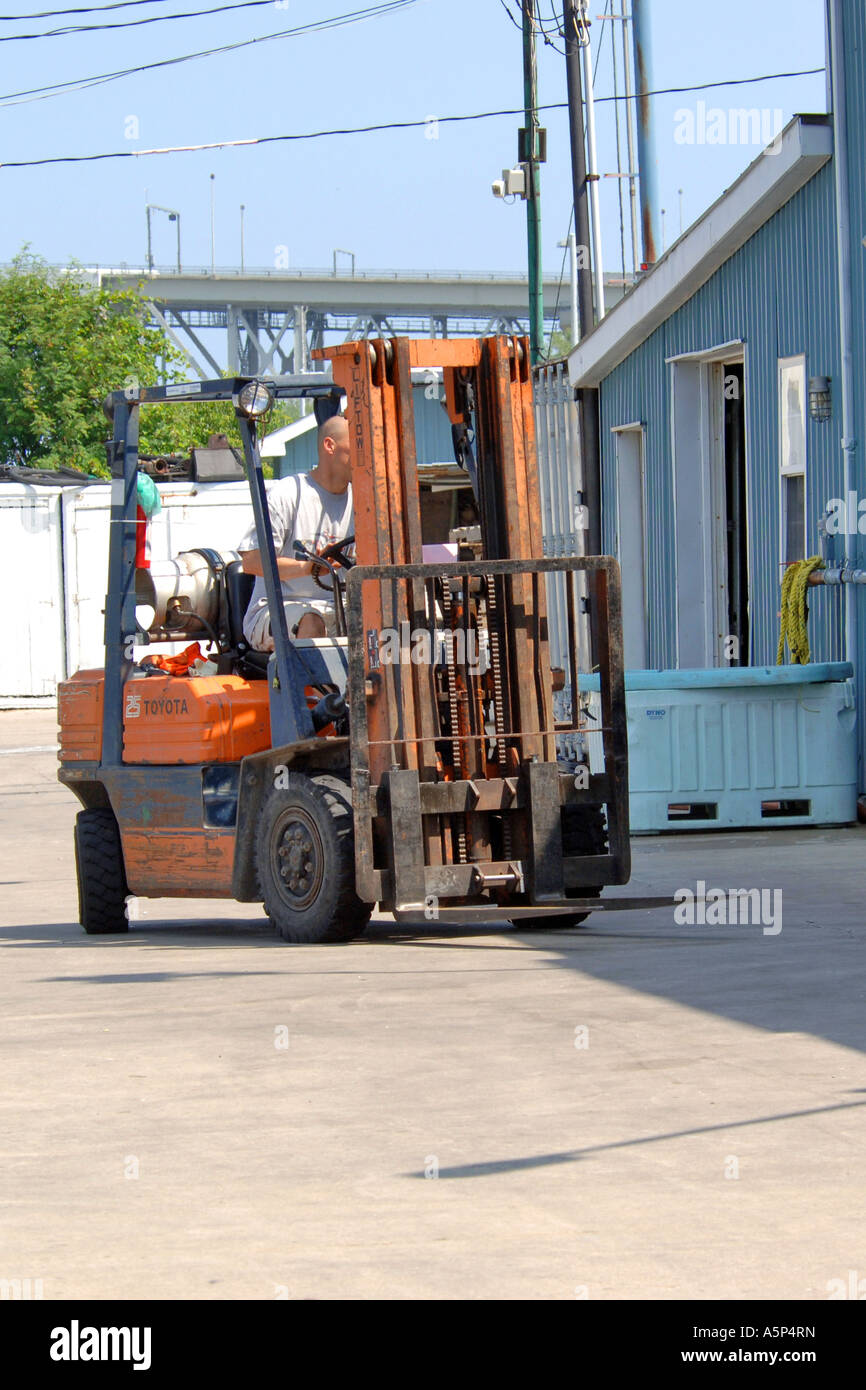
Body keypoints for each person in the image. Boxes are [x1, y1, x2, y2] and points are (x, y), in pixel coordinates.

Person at [238, 413, 353, 649]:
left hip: (341, 609)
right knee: (311, 622)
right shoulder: (288, 493)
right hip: (281, 610)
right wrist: (307, 568)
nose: (366, 457)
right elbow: (251, 561)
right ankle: (318, 686)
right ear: (330, 445)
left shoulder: (365, 504)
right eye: (357, 448)